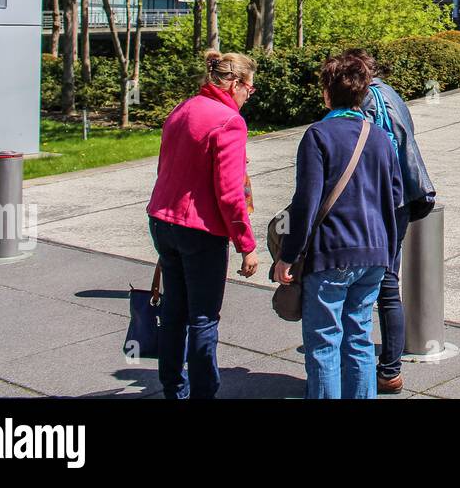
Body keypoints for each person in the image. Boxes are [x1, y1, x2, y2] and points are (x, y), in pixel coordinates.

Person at [274, 51, 403, 399]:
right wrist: (391, 255)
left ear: (327, 91)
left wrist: (288, 255)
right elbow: (393, 198)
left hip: (331, 253)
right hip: (374, 252)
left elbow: (306, 202)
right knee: (359, 340)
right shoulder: (379, 137)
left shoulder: (318, 135)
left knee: (324, 345)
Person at [146, 50, 260, 400]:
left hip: (163, 220)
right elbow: (229, 194)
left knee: (174, 311)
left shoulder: (183, 108)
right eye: (250, 89)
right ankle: (203, 393)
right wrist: (247, 245)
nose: (249, 97)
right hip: (200, 229)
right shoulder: (229, 121)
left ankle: (173, 389)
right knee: (203, 318)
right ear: (236, 83)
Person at [349, 49, 436, 395]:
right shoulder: (391, 94)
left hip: (375, 198)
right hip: (401, 197)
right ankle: (391, 370)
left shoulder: (366, 99)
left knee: (375, 285)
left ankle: (371, 367)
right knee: (389, 283)